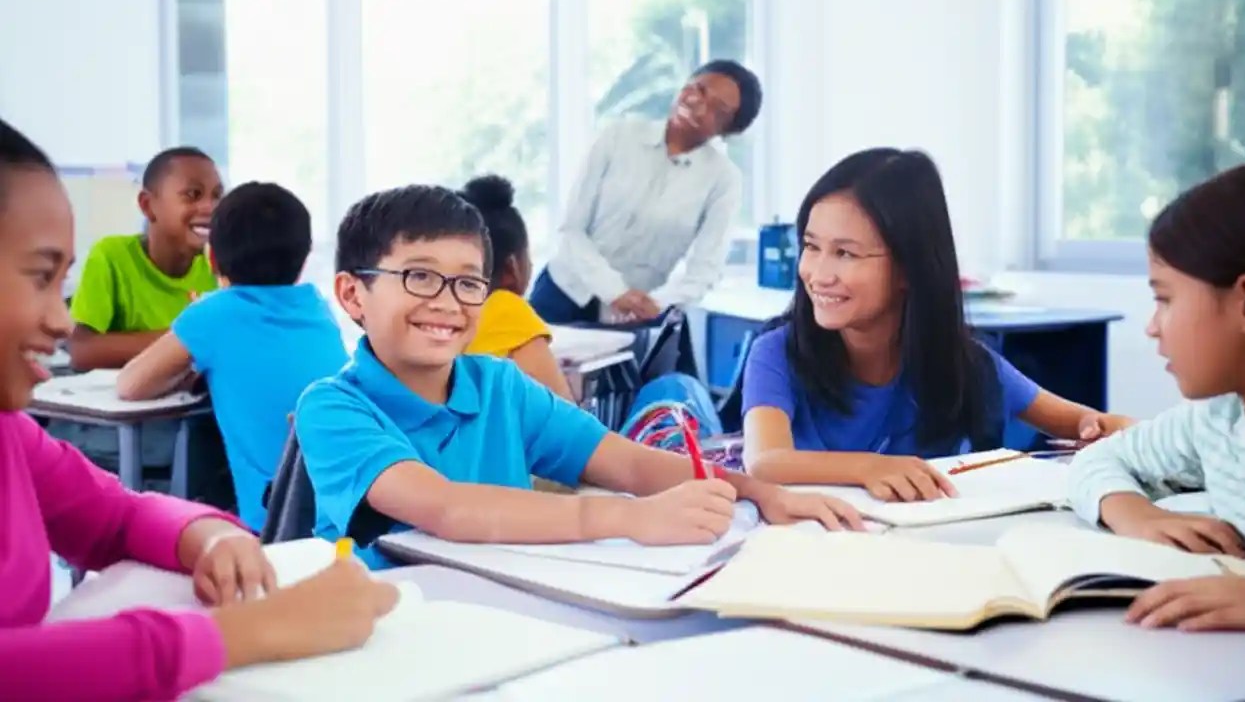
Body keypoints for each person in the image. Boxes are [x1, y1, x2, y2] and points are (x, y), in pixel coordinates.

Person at [0, 117, 398, 701]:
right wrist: (254, 631)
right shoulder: (307, 306)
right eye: (41, 277)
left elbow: (117, 515)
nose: (61, 321)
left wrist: (208, 536)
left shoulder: (11, 436)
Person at [295, 184, 863, 569]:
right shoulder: (335, 407)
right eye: (420, 276)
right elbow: (447, 508)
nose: (447, 301)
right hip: (393, 627)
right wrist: (631, 517)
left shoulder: (499, 386)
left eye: (468, 283)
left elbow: (629, 462)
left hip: (512, 607)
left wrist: (760, 492)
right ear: (353, 294)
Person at [741, 149, 1132, 500]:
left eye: (845, 253)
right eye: (811, 247)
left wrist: (1094, 428)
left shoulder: (966, 363)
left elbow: (1084, 421)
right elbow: (765, 461)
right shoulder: (777, 353)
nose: (819, 274)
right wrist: (867, 468)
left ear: (909, 267)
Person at [1067, 164, 1245, 633]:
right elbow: (1098, 458)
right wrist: (1137, 515)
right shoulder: (1216, 418)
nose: (1152, 326)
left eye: (1165, 299)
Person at [117, 182, 349, 532]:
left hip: (279, 525)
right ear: (304, 258)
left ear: (211, 258)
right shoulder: (318, 307)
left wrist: (188, 368)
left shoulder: (213, 314)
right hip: (347, 511)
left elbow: (130, 385)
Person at [531, 60, 763, 325]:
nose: (697, 103)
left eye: (717, 109)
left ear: (730, 129)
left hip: (635, 315)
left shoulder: (723, 179)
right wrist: (614, 291)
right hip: (560, 292)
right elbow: (571, 228)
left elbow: (704, 270)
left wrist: (655, 303)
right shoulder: (618, 136)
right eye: (698, 88)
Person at [68, 146, 221, 371]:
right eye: (192, 194)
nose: (210, 207)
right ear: (148, 206)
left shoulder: (220, 267)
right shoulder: (112, 256)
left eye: (217, 196)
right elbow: (82, 352)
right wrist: (188, 339)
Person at [461, 175, 572, 399]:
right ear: (512, 266)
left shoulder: (449, 315)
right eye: (527, 256)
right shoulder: (506, 307)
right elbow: (565, 413)